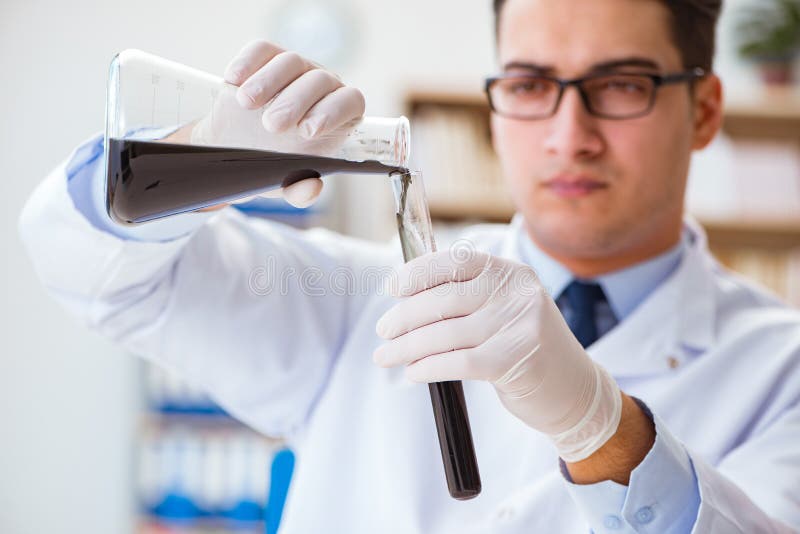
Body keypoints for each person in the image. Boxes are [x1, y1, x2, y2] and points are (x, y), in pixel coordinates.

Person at [18, 0, 800, 532]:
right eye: (529, 85)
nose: (569, 135)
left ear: (703, 110)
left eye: (621, 85)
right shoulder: (350, 298)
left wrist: (602, 427)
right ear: (494, 105)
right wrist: (194, 155)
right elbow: (82, 266)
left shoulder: (783, 369)